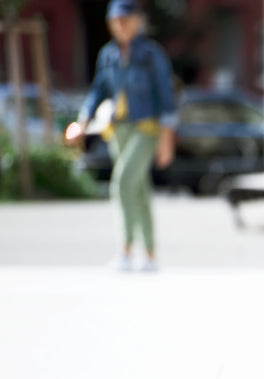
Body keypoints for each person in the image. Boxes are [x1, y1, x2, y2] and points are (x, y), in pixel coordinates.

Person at [69, 0, 177, 272]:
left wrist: (167, 139)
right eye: (117, 21)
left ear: (138, 21)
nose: (121, 26)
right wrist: (83, 121)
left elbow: (167, 98)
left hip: (147, 128)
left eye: (126, 20)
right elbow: (98, 92)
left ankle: (126, 249)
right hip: (119, 129)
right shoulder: (108, 55)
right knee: (137, 189)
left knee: (122, 182)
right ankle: (150, 253)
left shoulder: (152, 54)